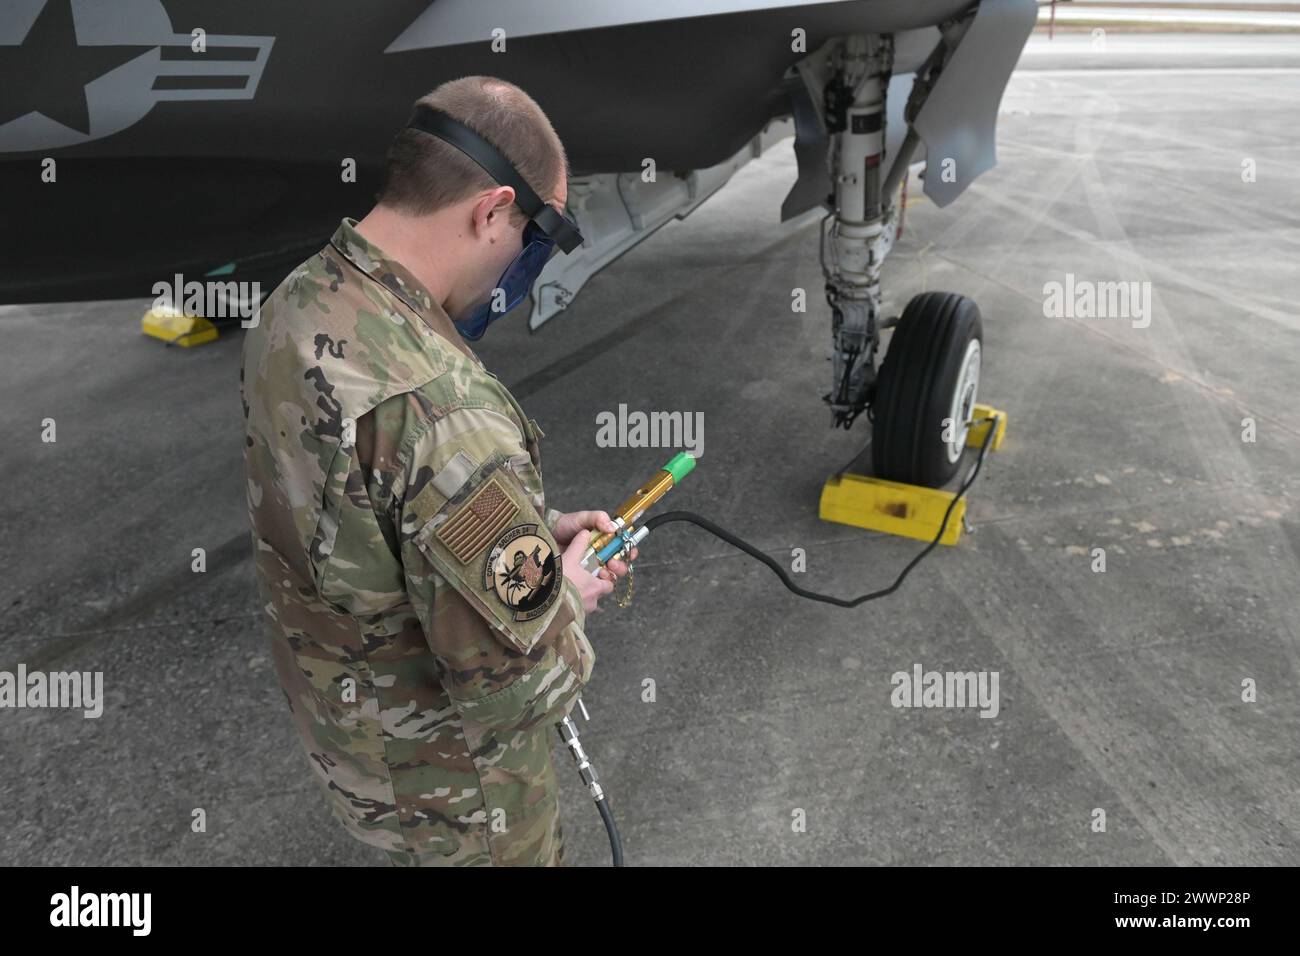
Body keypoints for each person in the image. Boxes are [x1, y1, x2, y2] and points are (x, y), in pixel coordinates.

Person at [239, 75, 632, 866]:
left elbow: (369, 517)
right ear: (491, 211)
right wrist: (572, 595)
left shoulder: (297, 301)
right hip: (463, 801)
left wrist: (524, 525)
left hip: (358, 750)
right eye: (533, 239)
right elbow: (525, 684)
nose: (521, 272)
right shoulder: (443, 411)